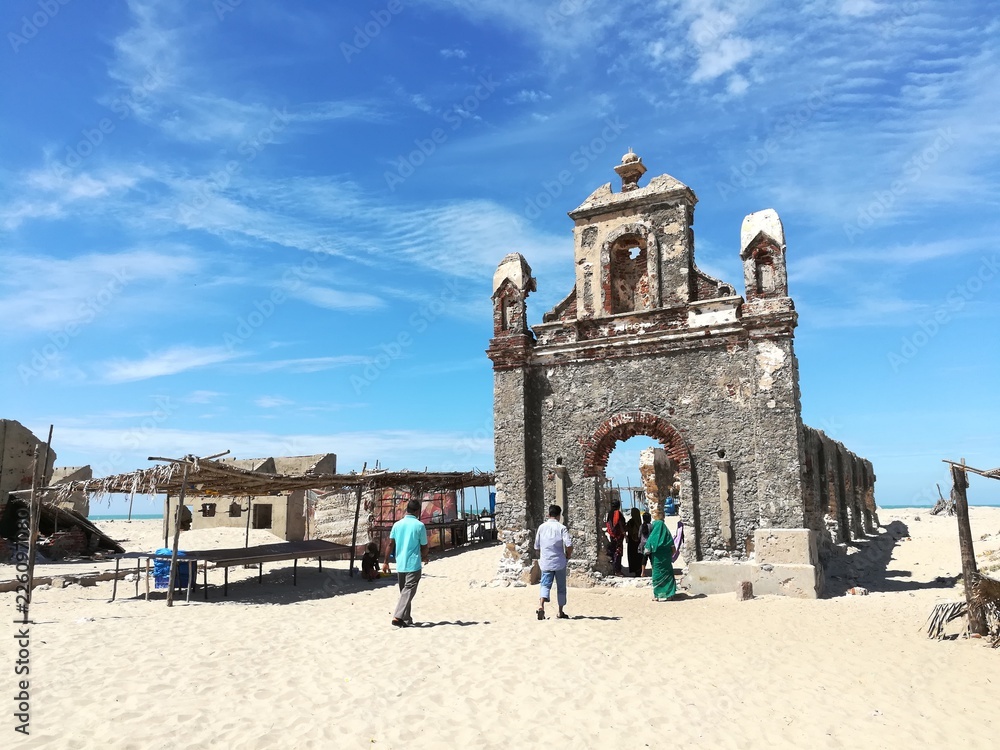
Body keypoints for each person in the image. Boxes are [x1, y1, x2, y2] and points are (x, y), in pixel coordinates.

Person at [382, 498, 428, 627]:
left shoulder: (397, 525)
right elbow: (424, 545)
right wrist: (425, 556)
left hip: (400, 564)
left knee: (405, 593)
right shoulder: (419, 526)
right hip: (413, 564)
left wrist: (386, 562)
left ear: (407, 509)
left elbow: (390, 543)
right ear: (417, 511)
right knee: (408, 591)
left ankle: (406, 619)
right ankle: (397, 616)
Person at [534, 504, 573, 620]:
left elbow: (536, 546)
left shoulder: (541, 527)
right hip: (559, 561)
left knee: (545, 584)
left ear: (548, 514)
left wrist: (541, 556)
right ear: (559, 515)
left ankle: (541, 606)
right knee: (561, 587)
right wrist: (568, 555)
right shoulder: (562, 528)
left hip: (546, 561)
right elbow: (569, 544)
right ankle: (560, 611)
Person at [644, 517, 677, 601]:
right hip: (666, 561)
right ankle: (670, 595)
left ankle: (657, 595)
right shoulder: (668, 536)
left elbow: (646, 550)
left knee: (657, 576)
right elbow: (674, 550)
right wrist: (668, 556)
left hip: (656, 562)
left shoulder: (653, 536)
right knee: (668, 576)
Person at [604, 499, 626, 576]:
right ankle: (617, 570)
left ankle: (614, 569)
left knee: (614, 552)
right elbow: (620, 524)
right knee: (618, 553)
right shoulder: (617, 513)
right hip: (618, 536)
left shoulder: (610, 513)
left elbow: (608, 524)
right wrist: (625, 534)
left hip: (612, 536)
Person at [625, 508, 642, 576]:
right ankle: (639, 570)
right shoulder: (639, 521)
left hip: (632, 541)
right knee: (638, 556)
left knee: (633, 556)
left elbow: (627, 529)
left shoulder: (631, 522)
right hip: (639, 541)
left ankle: (635, 571)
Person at [638, 511, 652, 577]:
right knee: (652, 559)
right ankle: (654, 572)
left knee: (644, 559)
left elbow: (639, 535)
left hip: (643, 545)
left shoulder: (641, 526)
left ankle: (643, 572)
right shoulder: (652, 526)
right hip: (650, 544)